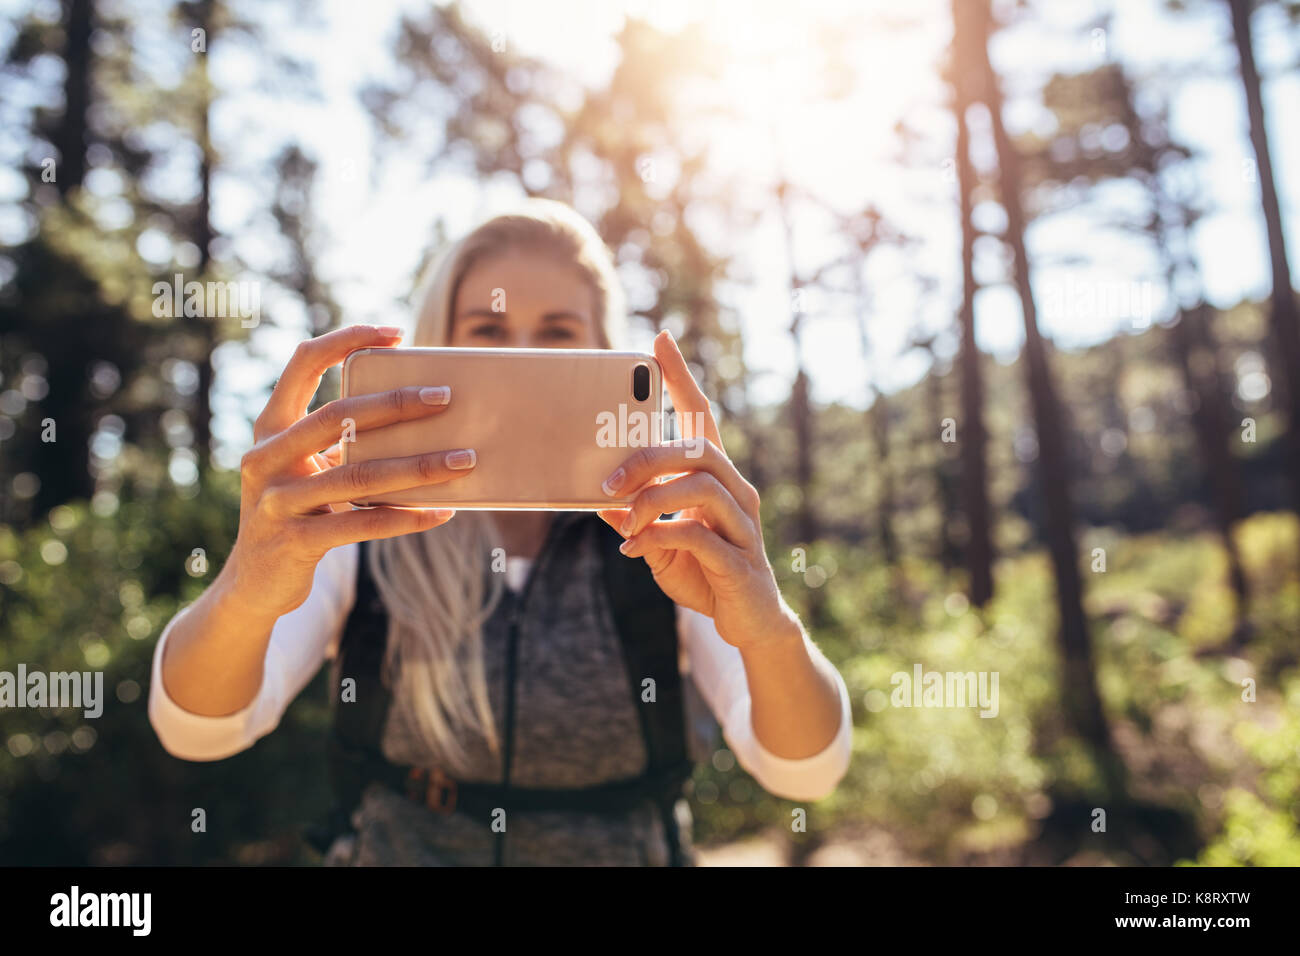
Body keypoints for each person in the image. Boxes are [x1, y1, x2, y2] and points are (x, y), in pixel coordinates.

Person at [148, 199, 851, 866]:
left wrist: (766, 627)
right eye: (487, 332)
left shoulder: (665, 529)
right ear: (438, 346)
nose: (522, 362)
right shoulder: (360, 527)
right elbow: (199, 729)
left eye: (557, 334)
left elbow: (805, 770)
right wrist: (247, 585)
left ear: (605, 353)